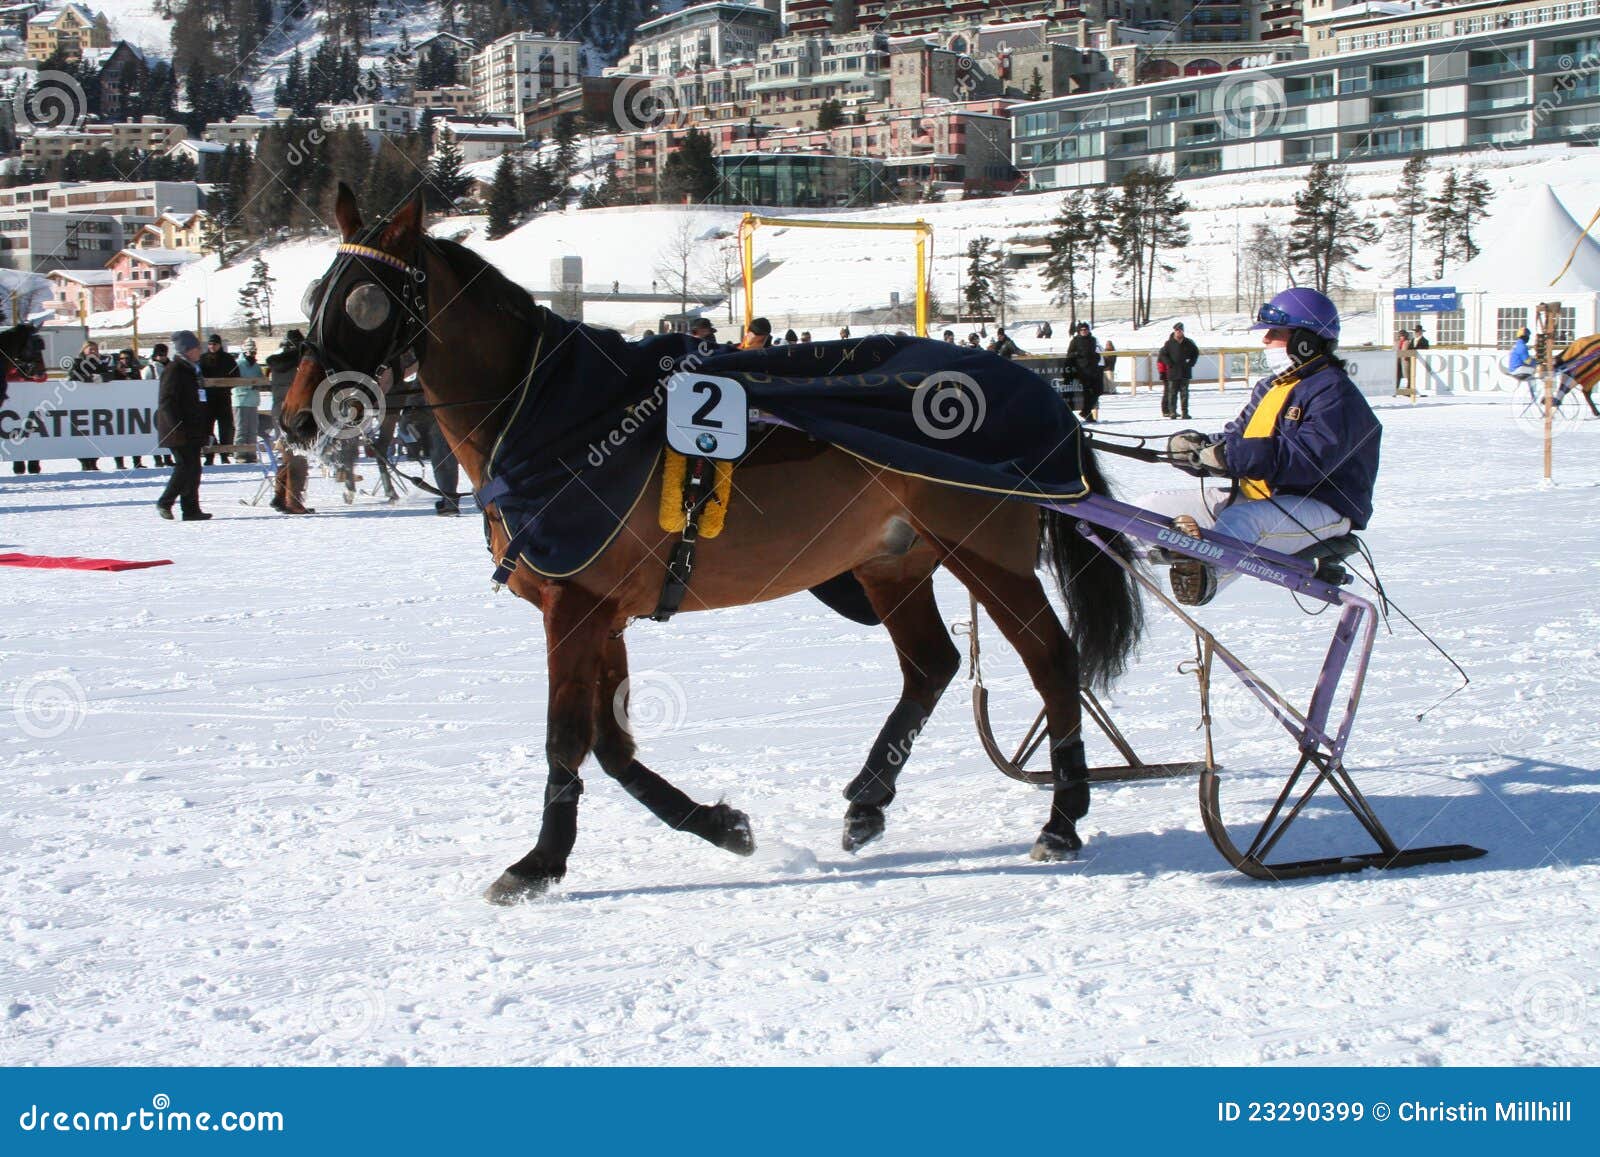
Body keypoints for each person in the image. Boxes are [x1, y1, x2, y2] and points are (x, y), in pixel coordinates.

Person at [1143, 289, 1380, 607]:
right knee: (1151, 505)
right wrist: (1197, 449)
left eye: (1275, 333)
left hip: (1324, 505)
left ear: (1305, 341)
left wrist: (1228, 456)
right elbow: (1238, 439)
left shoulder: (1335, 393)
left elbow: (1308, 459)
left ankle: (1208, 574)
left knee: (1243, 521)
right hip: (1261, 496)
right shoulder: (1271, 387)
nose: (1265, 339)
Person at [154, 331, 212, 521]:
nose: (200, 351)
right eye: (196, 348)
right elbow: (167, 402)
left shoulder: (193, 369)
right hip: (178, 430)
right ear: (187, 350)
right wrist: (175, 428)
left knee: (194, 469)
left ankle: (191, 509)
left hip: (193, 429)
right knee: (185, 467)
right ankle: (165, 502)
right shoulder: (174, 370)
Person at [265, 329, 313, 514]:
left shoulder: (276, 365)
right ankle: (293, 501)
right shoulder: (300, 364)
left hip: (279, 411)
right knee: (298, 457)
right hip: (295, 412)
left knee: (288, 456)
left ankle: (279, 496)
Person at [70, 340, 114, 470]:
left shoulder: (101, 363)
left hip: (98, 404)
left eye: (95, 349)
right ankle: (84, 461)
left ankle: (94, 461)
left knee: (96, 434)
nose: (94, 351)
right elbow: (73, 375)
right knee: (81, 435)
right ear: (84, 350)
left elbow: (111, 374)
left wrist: (101, 377)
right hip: (80, 404)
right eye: (91, 349)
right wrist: (89, 379)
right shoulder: (77, 362)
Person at [6, 333, 47, 475]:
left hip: (32, 403)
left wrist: (35, 374)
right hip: (13, 406)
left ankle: (34, 465)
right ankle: (18, 465)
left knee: (33, 435)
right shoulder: (8, 354)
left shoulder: (34, 354)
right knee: (15, 434)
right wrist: (16, 369)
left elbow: (42, 376)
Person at [198, 333, 239, 464]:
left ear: (220, 345)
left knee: (226, 427)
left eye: (215, 344)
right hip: (208, 400)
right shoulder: (202, 359)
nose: (212, 346)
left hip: (223, 398)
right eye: (210, 344)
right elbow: (198, 377)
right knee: (206, 428)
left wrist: (226, 386)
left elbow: (236, 376)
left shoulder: (228, 359)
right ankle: (209, 455)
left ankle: (224, 454)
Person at [141, 343, 174, 467]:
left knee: (168, 431)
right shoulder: (150, 369)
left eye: (164, 354)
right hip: (153, 404)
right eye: (159, 354)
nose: (162, 357)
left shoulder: (171, 367)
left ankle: (168, 457)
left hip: (168, 403)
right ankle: (157, 459)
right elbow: (144, 386)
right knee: (155, 433)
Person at [232, 338, 264, 463]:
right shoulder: (238, 364)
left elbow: (261, 379)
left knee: (253, 429)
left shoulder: (256, 366)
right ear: (244, 351)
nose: (252, 354)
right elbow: (234, 381)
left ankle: (251, 453)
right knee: (241, 429)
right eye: (250, 352)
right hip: (240, 400)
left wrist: (260, 384)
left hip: (253, 401)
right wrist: (250, 385)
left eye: (254, 352)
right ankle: (240, 454)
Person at [1067, 321, 1104, 421]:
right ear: (1079, 331)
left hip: (1094, 369)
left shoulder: (1093, 339)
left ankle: (1085, 411)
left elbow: (1098, 351)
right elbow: (1069, 354)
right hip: (1082, 369)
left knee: (1098, 391)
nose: (1084, 331)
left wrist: (1096, 357)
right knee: (1087, 392)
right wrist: (1077, 355)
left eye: (1086, 329)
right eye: (1082, 330)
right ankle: (1087, 413)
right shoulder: (1075, 340)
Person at [1506, 324, 1538, 403]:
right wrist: (1536, 362)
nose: (1528, 338)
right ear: (1525, 336)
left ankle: (1532, 394)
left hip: (1514, 369)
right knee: (1536, 371)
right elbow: (1527, 361)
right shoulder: (1522, 346)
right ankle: (1534, 394)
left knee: (1532, 371)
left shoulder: (1517, 345)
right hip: (1518, 369)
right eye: (1528, 336)